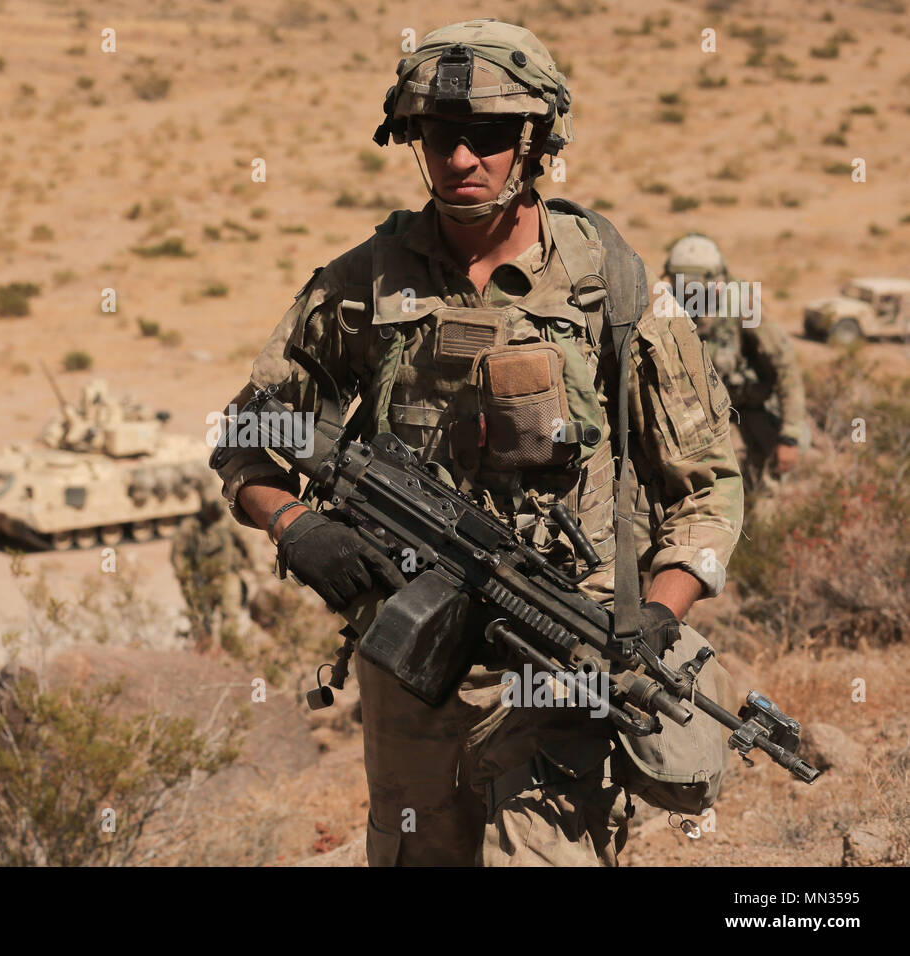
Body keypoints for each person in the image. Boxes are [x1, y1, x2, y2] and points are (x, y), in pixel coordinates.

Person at [208, 19, 743, 866]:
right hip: (411, 667)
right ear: (411, 139)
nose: (462, 160)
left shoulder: (615, 288)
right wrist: (295, 527)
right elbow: (244, 438)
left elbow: (707, 486)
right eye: (439, 135)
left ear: (535, 143)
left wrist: (655, 614)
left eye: (490, 137)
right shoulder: (360, 287)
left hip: (562, 661)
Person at [661, 234, 809, 494]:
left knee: (759, 476)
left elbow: (785, 368)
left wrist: (790, 435)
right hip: (694, 414)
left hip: (747, 407)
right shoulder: (666, 307)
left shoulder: (743, 306)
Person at [171, 492, 253, 654]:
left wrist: (252, 564)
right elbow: (178, 554)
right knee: (202, 620)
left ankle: (230, 650)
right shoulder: (190, 527)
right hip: (202, 581)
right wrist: (185, 578)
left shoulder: (227, 523)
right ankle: (206, 651)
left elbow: (245, 542)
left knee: (230, 615)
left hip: (228, 577)